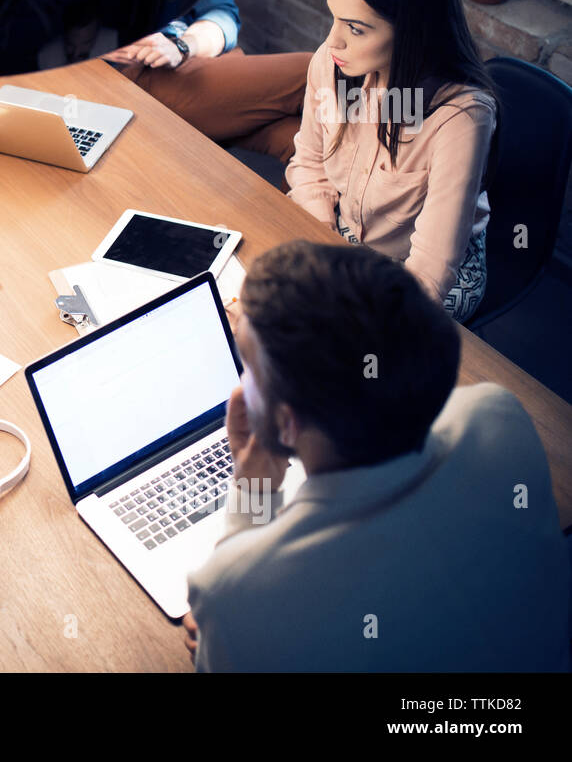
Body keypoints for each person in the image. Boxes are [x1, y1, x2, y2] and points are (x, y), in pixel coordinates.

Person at [183, 241, 569, 672]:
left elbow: (225, 634)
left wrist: (252, 490)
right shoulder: (498, 413)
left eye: (247, 365)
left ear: (288, 422)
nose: (239, 384)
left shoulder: (234, 591)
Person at [285, 0, 498, 322]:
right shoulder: (331, 64)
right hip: (341, 231)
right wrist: (321, 236)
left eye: (356, 28)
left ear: (413, 29)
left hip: (422, 268)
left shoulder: (461, 117)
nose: (333, 42)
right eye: (335, 19)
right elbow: (309, 163)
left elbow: (431, 271)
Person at [104, 0, 311, 165]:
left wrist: (184, 46)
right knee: (314, 71)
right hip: (142, 72)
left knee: (305, 142)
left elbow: (223, 12)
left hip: (202, 54)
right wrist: (109, 43)